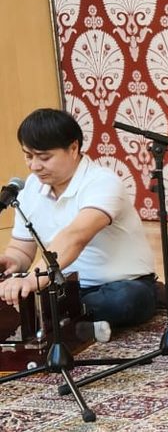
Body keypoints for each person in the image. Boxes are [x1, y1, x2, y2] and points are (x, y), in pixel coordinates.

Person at [0, 107, 157, 341]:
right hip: (61, 288)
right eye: (28, 156)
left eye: (44, 157)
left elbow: (75, 237)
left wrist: (33, 280)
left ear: (73, 149)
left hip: (118, 286)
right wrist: (9, 262)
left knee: (126, 300)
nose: (34, 166)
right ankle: (70, 322)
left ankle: (51, 319)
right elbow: (22, 249)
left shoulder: (102, 182)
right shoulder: (31, 188)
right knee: (37, 297)